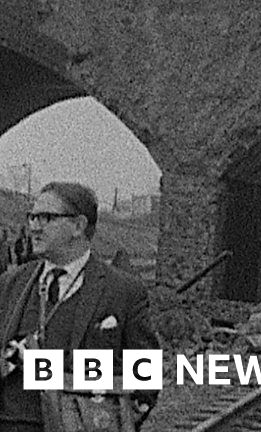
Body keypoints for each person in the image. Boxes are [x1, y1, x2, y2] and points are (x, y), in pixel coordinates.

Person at [0, 182, 160, 432]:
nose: (34, 227)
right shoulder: (11, 284)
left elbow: (145, 376)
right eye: (32, 217)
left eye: (46, 218)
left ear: (78, 226)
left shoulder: (123, 292)